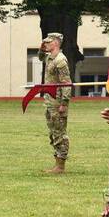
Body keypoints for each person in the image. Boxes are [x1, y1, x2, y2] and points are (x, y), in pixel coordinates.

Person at [39, 32, 70, 174]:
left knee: (59, 133)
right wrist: (41, 49)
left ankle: (60, 166)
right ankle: (57, 163)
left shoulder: (60, 60)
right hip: (49, 101)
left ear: (56, 43)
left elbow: (66, 83)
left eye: (48, 42)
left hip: (57, 102)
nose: (46, 44)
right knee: (53, 132)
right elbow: (40, 58)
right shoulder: (49, 58)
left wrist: (64, 103)